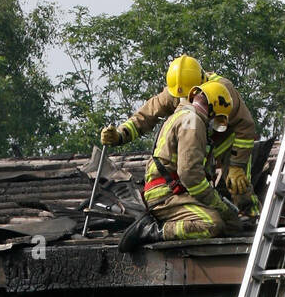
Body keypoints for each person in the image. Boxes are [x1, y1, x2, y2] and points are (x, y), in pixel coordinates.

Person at [102, 54, 259, 217]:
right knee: (193, 175)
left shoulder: (223, 90)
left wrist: (236, 166)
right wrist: (120, 134)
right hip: (199, 144)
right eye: (182, 97)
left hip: (225, 142)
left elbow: (245, 128)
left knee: (237, 182)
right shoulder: (177, 92)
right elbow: (146, 115)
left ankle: (249, 212)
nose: (187, 101)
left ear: (201, 83)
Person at [118, 79, 243, 248]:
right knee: (213, 223)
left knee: (233, 225)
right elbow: (189, 174)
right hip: (167, 195)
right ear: (213, 108)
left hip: (172, 191)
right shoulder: (193, 121)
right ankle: (153, 230)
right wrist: (217, 203)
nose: (214, 124)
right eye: (217, 118)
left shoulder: (183, 116)